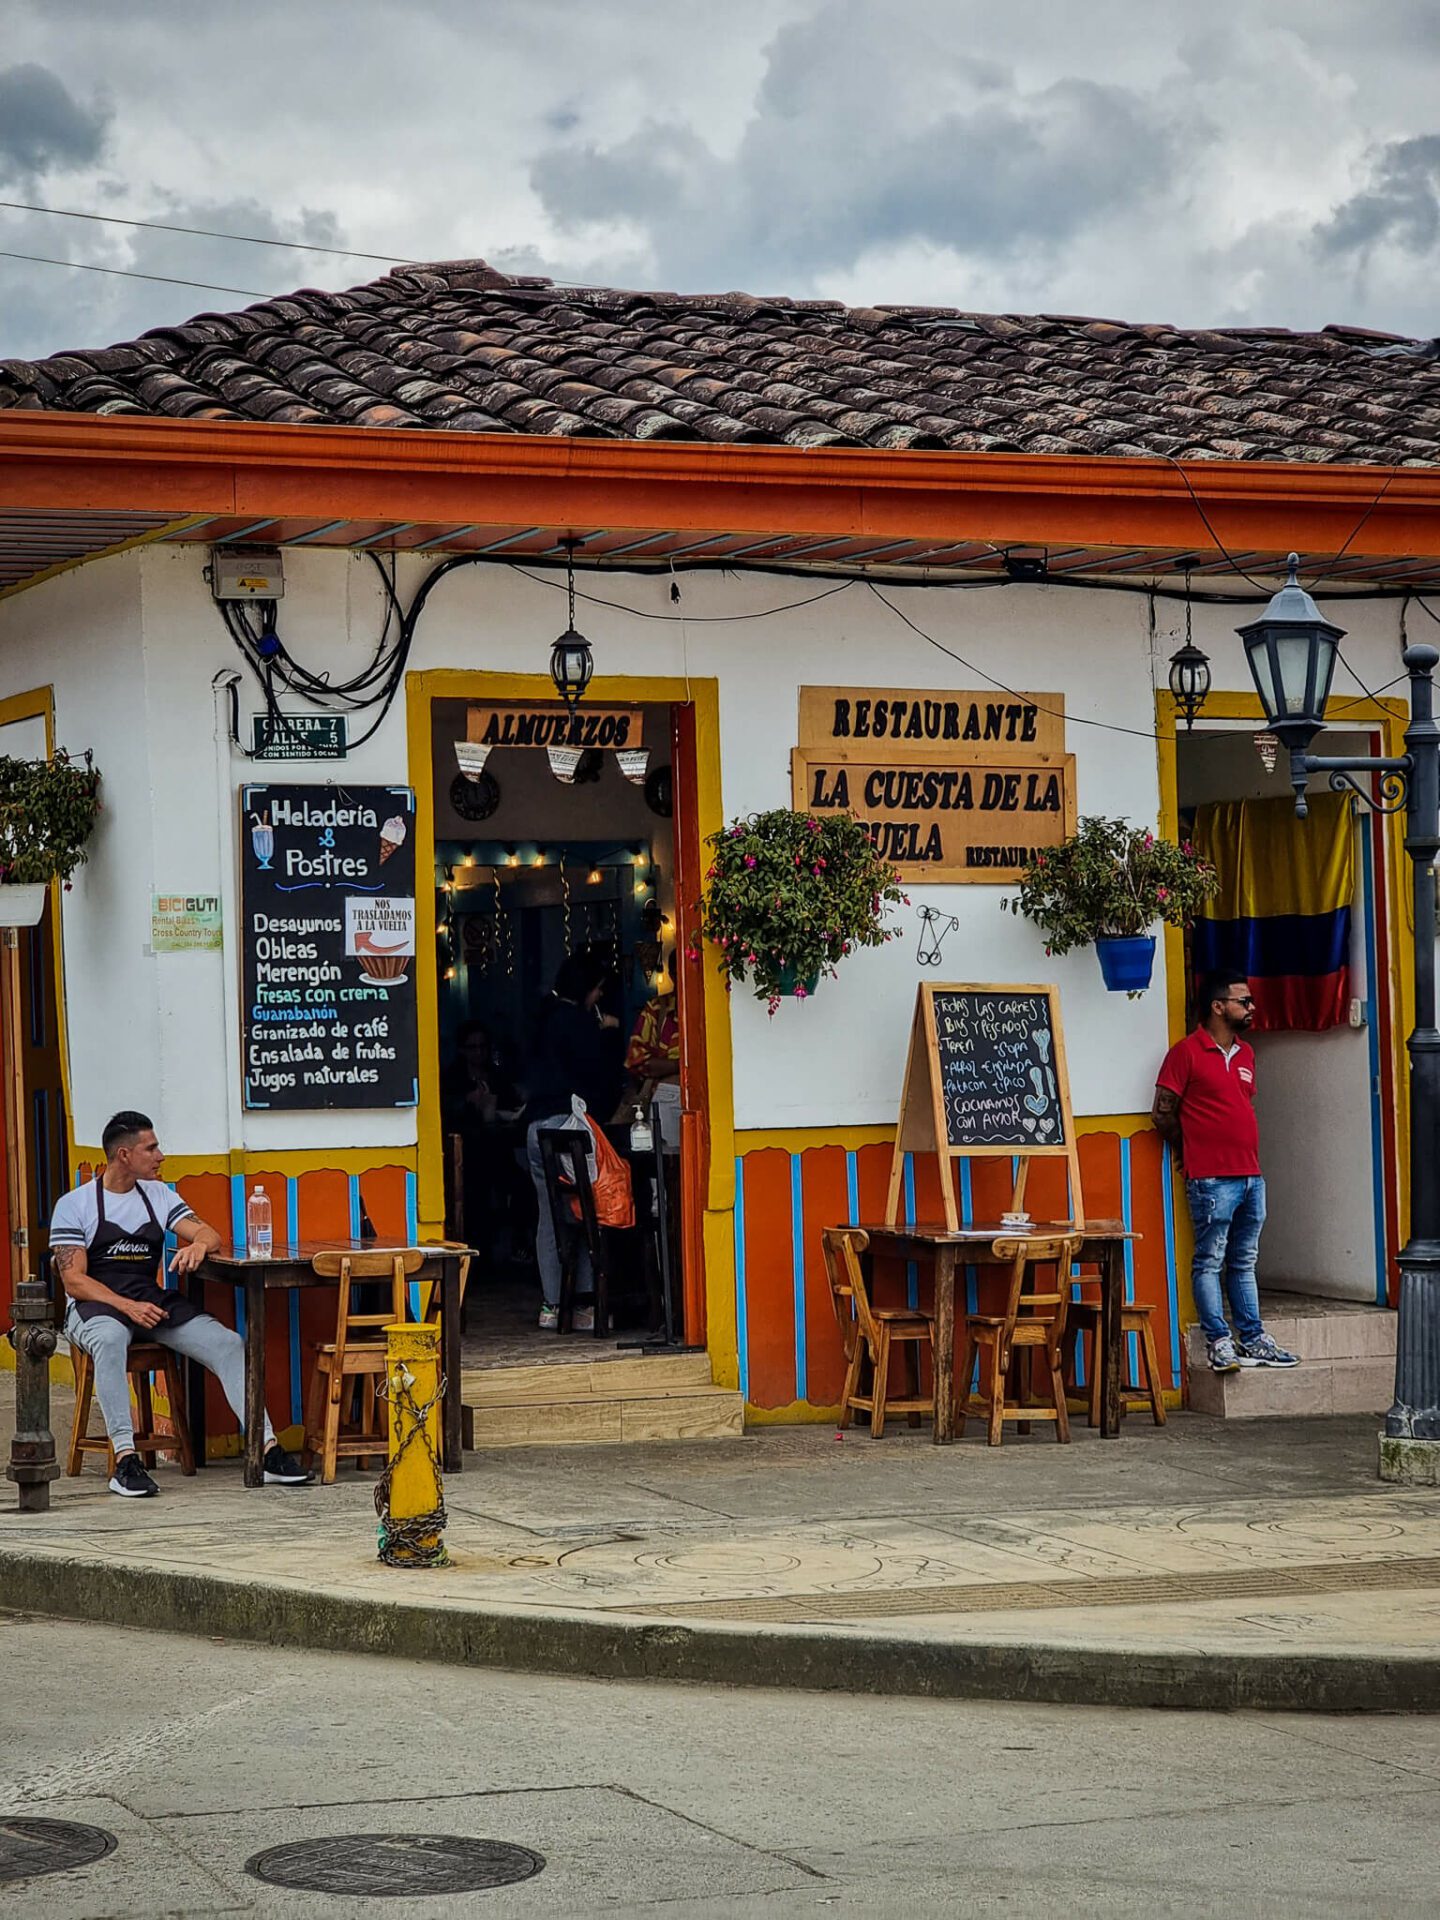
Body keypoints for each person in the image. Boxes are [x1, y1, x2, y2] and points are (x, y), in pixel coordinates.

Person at [50, 1111, 314, 1496]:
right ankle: (125, 1459)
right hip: (95, 1307)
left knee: (228, 1344)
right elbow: (74, 1280)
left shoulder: (158, 1195)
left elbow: (210, 1233)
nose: (160, 1156)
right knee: (109, 1340)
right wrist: (126, 1307)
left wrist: (199, 1246)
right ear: (124, 1155)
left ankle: (266, 1448)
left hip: (149, 1303)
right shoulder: (75, 1205)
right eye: (151, 1148)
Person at [1152, 972, 1299, 1374]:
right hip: (1212, 1178)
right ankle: (1219, 1342)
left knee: (1245, 1260)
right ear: (1218, 1007)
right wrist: (1189, 1148)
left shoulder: (1247, 1054)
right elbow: (1163, 1112)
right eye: (1243, 1001)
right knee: (1210, 1260)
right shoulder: (1187, 1052)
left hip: (1252, 1174)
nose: (1251, 1008)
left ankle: (1253, 1338)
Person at [523, 948, 623, 1331]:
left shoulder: (539, 1017)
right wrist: (610, 1036)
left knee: (549, 1218)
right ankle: (584, 1306)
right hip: (570, 1127)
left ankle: (551, 1305)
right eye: (597, 990)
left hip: (535, 1128)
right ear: (586, 989)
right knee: (587, 1213)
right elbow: (601, 1081)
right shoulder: (579, 1023)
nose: (599, 997)